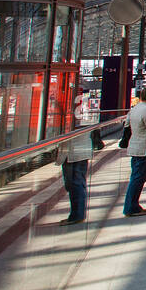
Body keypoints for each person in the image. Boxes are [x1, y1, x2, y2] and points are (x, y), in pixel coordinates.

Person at [56, 96, 103, 226]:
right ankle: (77, 213)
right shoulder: (85, 112)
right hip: (79, 151)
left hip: (74, 152)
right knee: (77, 182)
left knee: (75, 182)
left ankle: (77, 214)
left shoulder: (73, 115)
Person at [122, 85, 146, 216]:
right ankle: (130, 207)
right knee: (138, 178)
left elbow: (126, 124)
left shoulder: (135, 109)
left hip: (135, 147)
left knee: (136, 177)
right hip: (144, 149)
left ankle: (133, 205)